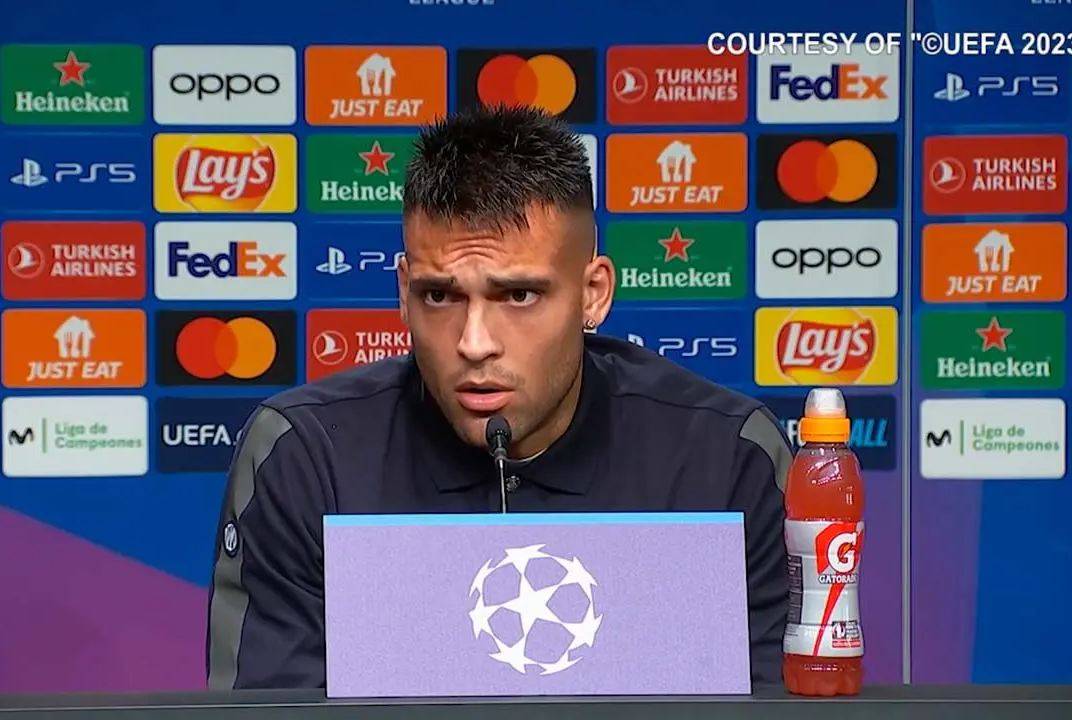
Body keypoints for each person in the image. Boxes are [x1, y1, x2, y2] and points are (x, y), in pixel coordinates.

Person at [206, 105, 793, 690]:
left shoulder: (727, 457)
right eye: (440, 297)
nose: (474, 343)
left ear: (593, 294)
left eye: (518, 296)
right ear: (404, 294)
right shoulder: (307, 456)